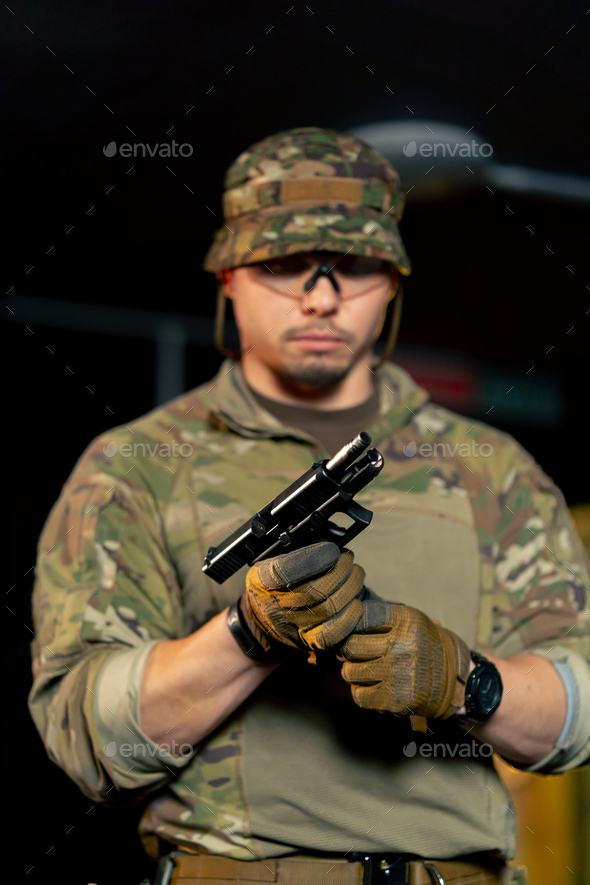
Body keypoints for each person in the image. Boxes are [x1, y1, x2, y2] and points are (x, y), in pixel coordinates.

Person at [28, 127, 590, 885]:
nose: (321, 295)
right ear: (227, 274)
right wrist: (249, 632)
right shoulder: (134, 469)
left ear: (392, 280)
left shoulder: (494, 472)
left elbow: (577, 709)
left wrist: (466, 679)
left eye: (353, 265)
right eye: (284, 264)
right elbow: (88, 743)